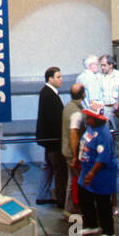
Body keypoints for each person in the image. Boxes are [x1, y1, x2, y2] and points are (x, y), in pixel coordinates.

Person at [74, 101, 117, 236]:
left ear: (97, 119)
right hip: (86, 171)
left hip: (100, 173)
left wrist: (92, 173)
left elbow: (103, 157)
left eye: (89, 117)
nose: (86, 119)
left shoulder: (104, 134)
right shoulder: (90, 128)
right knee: (85, 198)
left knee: (103, 202)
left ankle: (109, 231)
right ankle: (91, 225)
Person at [35, 66, 66, 208]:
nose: (61, 79)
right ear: (50, 78)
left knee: (47, 167)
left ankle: (42, 195)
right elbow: (55, 121)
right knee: (59, 170)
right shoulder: (49, 95)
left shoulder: (46, 92)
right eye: (58, 77)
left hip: (48, 140)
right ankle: (62, 199)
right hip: (54, 141)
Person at [61, 83, 86, 222]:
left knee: (72, 180)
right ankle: (73, 208)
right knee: (75, 181)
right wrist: (75, 156)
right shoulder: (76, 112)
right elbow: (73, 134)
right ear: (83, 94)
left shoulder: (68, 106)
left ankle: (70, 207)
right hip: (72, 153)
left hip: (66, 150)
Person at [99, 54, 119, 172]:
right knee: (103, 136)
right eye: (101, 65)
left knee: (116, 135)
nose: (102, 68)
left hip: (115, 109)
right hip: (103, 109)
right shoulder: (99, 77)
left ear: (111, 65)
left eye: (104, 65)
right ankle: (105, 160)